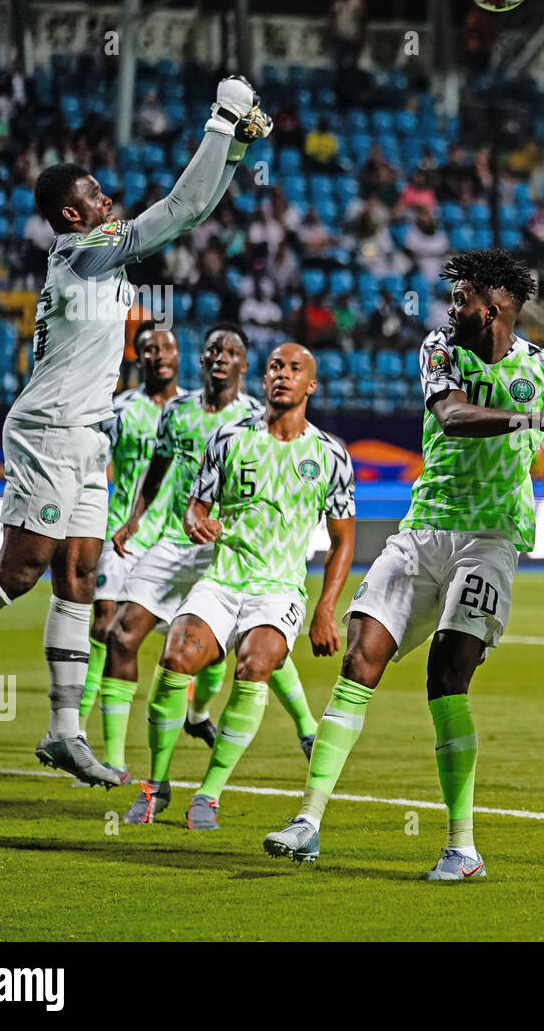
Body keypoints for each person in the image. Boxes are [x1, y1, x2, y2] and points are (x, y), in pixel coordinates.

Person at [0, 76, 272, 779]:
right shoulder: (81, 256)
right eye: (95, 199)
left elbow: (191, 212)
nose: (108, 203)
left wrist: (234, 152)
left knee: (78, 576)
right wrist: (221, 125)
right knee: (20, 568)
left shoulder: (98, 254)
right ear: (72, 218)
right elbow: (179, 208)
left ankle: (63, 731)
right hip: (49, 429)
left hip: (87, 433)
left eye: (105, 196)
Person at [262, 250, 544, 877]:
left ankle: (461, 846)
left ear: (494, 305)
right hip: (425, 529)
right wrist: (536, 419)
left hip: (492, 539)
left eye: (463, 295)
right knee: (362, 655)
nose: (452, 305)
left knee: (448, 671)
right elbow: (453, 415)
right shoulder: (440, 348)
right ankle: (308, 819)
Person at [125, 343, 356, 830]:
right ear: (264, 376)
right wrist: (195, 522)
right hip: (223, 578)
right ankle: (157, 785)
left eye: (295, 370)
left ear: (311, 385)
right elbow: (197, 505)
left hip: (279, 589)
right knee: (175, 657)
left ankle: (208, 794)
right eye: (276, 367)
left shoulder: (330, 454)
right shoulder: (230, 439)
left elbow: (342, 541)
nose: (283, 376)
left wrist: (324, 610)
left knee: (254, 664)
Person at [102, 326, 319, 793]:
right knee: (121, 633)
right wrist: (134, 521)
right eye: (214, 350)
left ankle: (296, 725)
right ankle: (116, 763)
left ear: (246, 367)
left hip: (232, 552)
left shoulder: (254, 419)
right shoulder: (178, 413)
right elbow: (155, 473)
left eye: (232, 352)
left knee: (258, 649)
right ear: (200, 360)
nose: (220, 358)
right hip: (175, 540)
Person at [75, 325, 184, 744]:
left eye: (166, 347)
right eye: (149, 349)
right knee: (104, 624)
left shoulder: (196, 412)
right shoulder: (118, 412)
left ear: (179, 356)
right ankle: (77, 731)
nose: (158, 355)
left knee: (199, 635)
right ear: (138, 359)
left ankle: (196, 712)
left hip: (177, 538)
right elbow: (90, 464)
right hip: (122, 533)